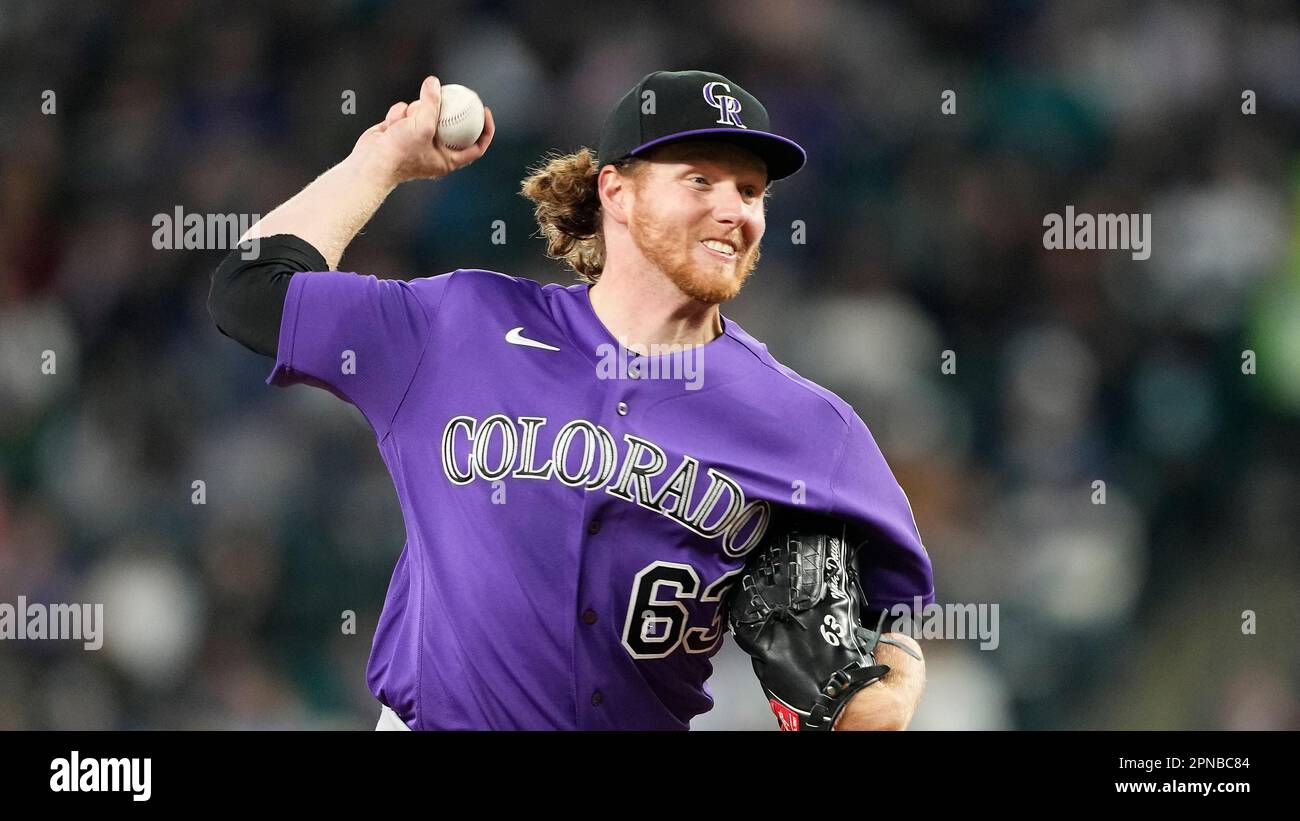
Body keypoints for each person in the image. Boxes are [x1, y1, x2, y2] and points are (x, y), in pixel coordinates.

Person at [209, 69, 934, 730]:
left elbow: (895, 604)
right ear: (616, 192)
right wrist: (381, 161)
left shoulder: (807, 425)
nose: (733, 211)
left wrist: (890, 690)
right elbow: (250, 290)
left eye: (749, 191)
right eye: (701, 181)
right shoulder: (459, 325)